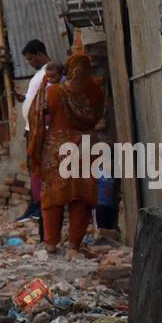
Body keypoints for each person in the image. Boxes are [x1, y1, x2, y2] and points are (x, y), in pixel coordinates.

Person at [29, 33, 105, 259]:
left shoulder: (55, 91)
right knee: (80, 199)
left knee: (52, 199)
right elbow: (96, 117)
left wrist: (44, 84)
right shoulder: (96, 93)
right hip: (84, 151)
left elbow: (39, 113)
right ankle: (73, 246)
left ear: (69, 69)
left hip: (57, 151)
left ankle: (51, 244)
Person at [18, 39, 51, 225]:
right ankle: (35, 204)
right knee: (33, 167)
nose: (29, 63)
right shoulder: (39, 74)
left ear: (40, 54)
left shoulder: (50, 72)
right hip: (31, 128)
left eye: (31, 58)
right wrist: (24, 98)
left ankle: (40, 205)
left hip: (40, 129)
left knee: (38, 167)